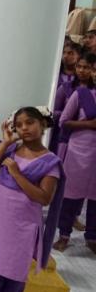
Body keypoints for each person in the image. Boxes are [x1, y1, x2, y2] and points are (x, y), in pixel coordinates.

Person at [0, 107, 64, 292]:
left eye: (30, 122)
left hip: (23, 225)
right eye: (19, 124)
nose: (24, 128)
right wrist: (5, 143)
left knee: (14, 272)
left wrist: (17, 174)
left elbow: (44, 197)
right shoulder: (8, 150)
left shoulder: (50, 161)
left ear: (42, 124)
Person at [54, 74, 96, 253]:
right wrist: (90, 125)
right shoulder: (82, 94)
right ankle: (64, 235)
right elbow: (63, 121)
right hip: (79, 151)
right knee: (71, 196)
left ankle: (92, 238)